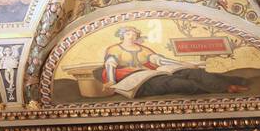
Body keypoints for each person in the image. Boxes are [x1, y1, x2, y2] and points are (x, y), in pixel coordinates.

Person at [101, 26, 248, 97]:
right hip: (136, 80)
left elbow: (159, 59)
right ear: (122, 35)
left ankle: (231, 83)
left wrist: (181, 64)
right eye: (128, 34)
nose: (131, 37)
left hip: (151, 73)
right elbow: (110, 65)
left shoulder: (143, 49)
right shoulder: (115, 49)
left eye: (134, 34)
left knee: (193, 72)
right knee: (179, 82)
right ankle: (224, 88)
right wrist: (111, 82)